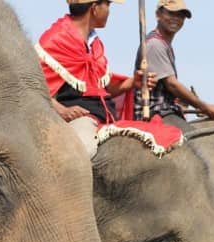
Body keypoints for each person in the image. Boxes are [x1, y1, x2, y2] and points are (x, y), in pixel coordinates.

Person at [37, 0, 149, 157]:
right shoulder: (55, 39)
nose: (109, 11)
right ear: (95, 8)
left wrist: (133, 82)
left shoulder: (95, 44)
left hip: (107, 118)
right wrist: (62, 110)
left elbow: (105, 89)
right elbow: (34, 88)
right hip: (81, 120)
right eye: (108, 5)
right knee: (83, 151)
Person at [134, 0, 214, 129]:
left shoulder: (164, 44)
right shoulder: (155, 44)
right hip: (156, 113)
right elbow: (172, 84)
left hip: (168, 110)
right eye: (171, 13)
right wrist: (204, 107)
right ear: (158, 14)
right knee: (195, 144)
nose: (176, 19)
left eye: (180, 15)